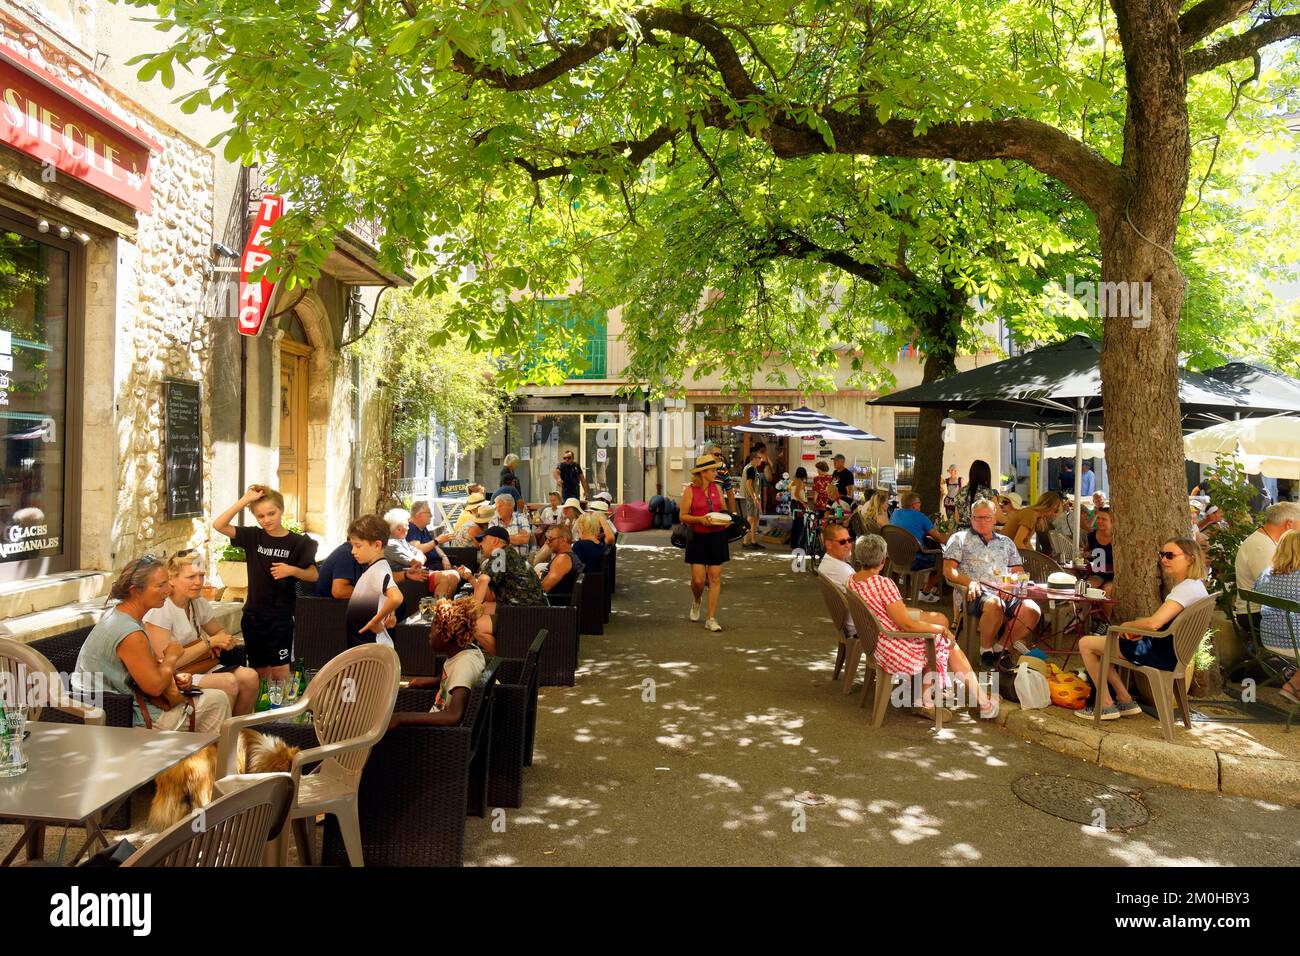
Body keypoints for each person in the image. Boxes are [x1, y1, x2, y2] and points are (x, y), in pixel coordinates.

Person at [72, 558, 232, 732]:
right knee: (218, 701)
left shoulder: (120, 615)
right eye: (160, 585)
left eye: (167, 583)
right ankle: (208, 756)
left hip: (111, 705)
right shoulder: (130, 633)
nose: (168, 589)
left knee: (215, 697)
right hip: (123, 717)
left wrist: (176, 676)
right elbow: (155, 687)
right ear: (135, 591)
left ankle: (198, 754)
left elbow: (145, 669)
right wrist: (171, 657)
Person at [849, 534, 999, 720]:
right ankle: (980, 702)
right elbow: (907, 623)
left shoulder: (852, 580)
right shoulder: (883, 584)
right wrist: (942, 629)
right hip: (890, 646)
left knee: (938, 637)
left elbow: (890, 613)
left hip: (874, 642)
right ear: (883, 559)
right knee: (945, 642)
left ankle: (934, 697)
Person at [1076, 537, 1210, 720]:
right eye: (1162, 555)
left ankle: (1106, 705)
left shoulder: (1185, 589)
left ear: (1190, 559)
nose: (1164, 560)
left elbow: (1154, 623)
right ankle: (1124, 699)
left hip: (1161, 653)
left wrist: (1125, 626)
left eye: (1170, 555)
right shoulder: (1196, 586)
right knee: (1104, 645)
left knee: (1086, 644)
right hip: (1172, 651)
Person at [213, 485, 318, 680]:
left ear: (281, 510)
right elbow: (219, 525)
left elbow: (313, 575)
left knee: (280, 671)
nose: (267, 520)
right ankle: (263, 709)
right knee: (258, 672)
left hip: (280, 618)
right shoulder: (253, 536)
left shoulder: (297, 543)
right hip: (253, 617)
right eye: (260, 516)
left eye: (272, 513)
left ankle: (283, 709)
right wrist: (245, 500)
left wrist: (291, 570)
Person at [143, 554, 259, 716]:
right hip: (176, 676)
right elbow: (167, 662)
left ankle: (238, 733)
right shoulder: (161, 609)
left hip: (200, 665)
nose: (198, 582)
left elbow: (221, 634)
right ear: (172, 579)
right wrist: (209, 644)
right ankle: (220, 737)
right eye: (191, 577)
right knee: (229, 682)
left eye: (202, 575)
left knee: (250, 677)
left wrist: (219, 642)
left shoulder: (197, 602)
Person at [942, 498, 1042, 667]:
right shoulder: (959, 538)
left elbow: (1019, 573)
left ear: (994, 519)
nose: (982, 521)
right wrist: (970, 582)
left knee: (1032, 610)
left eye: (986, 517)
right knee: (995, 604)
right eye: (977, 517)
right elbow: (948, 570)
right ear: (971, 518)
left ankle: (1001, 647)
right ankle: (985, 651)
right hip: (974, 593)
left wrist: (1011, 584)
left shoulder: (1006, 542)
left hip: (1006, 591)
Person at [389, 597, 495, 728]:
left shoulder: (464, 665)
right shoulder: (469, 651)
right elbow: (460, 680)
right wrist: (435, 681)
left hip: (439, 735)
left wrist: (401, 718)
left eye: (433, 627)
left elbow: (454, 716)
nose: (429, 634)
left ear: (446, 635)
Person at [680, 453, 729, 632]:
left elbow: (723, 509)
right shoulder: (690, 490)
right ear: (703, 473)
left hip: (717, 536)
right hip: (698, 537)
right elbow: (682, 516)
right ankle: (697, 599)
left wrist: (726, 518)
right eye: (713, 470)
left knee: (715, 578)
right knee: (698, 580)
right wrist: (699, 519)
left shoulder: (717, 488)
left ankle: (711, 618)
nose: (716, 472)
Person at [1234, 502, 1300, 635]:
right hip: (1255, 614)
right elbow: (1278, 589)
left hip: (1271, 611)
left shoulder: (1267, 541)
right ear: (1289, 524)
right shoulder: (1261, 546)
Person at [1253, 530, 1300, 704]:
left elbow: (1256, 592)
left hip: (1269, 638)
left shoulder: (1266, 573)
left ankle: (1294, 686)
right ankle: (1292, 686)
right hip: (1294, 643)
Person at [344, 514, 404, 648]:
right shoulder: (376, 568)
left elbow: (396, 597)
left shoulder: (378, 571)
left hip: (372, 649)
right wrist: (389, 612)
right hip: (364, 647)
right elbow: (385, 596)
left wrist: (375, 621)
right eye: (352, 545)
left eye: (358, 546)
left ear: (377, 545)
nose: (353, 551)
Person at [890, 490, 949, 602]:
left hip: (894, 557)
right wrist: (951, 534)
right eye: (919, 502)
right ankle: (925, 593)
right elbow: (941, 539)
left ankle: (909, 590)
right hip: (913, 560)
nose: (921, 504)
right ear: (914, 505)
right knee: (941, 561)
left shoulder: (895, 514)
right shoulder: (920, 516)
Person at [471, 526, 547, 608]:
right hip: (536, 611)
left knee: (481, 612)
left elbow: (483, 580)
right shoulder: (508, 553)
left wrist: (472, 610)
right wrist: (470, 578)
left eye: (483, 540)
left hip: (525, 613)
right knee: (487, 607)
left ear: (495, 541)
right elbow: (491, 597)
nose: (480, 544)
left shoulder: (501, 554)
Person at [817, 522, 858, 639]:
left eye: (849, 540)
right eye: (842, 542)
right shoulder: (842, 570)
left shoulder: (827, 563)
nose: (848, 545)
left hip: (851, 624)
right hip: (859, 627)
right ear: (829, 544)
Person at [538, 525, 583, 605]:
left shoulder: (562, 559)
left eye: (550, 539)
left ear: (563, 540)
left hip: (551, 609)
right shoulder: (571, 556)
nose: (547, 542)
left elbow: (543, 588)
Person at [1085, 508, 1116, 614]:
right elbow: (1086, 551)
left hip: (1114, 576)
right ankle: (1090, 621)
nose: (1099, 521)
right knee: (1086, 588)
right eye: (1098, 518)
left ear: (1112, 521)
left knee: (1107, 591)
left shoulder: (1118, 537)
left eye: (1104, 519)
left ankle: (1106, 623)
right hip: (1098, 574)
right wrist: (1085, 555)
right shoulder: (1092, 536)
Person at [953, 460, 997, 528]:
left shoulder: (961, 492)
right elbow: (1000, 519)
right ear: (986, 475)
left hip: (962, 535)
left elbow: (956, 519)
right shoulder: (988, 493)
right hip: (981, 534)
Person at [490, 492, 534, 557]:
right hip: (500, 561)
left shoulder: (522, 518)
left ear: (510, 506)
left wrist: (501, 538)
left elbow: (525, 539)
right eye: (496, 507)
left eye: (500, 506)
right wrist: (516, 537)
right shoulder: (493, 521)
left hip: (521, 560)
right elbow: (492, 542)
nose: (498, 510)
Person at [741, 447, 769, 549]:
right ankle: (747, 541)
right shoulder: (751, 468)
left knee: (753, 520)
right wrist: (755, 498)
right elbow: (749, 484)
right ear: (754, 458)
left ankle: (752, 541)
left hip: (751, 497)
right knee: (751, 520)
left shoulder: (751, 468)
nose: (761, 460)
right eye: (760, 458)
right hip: (751, 498)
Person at [707, 443, 739, 513]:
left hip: (718, 510)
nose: (719, 457)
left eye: (720, 455)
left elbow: (730, 493)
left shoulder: (723, 469)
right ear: (709, 454)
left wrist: (734, 513)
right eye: (716, 454)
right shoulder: (702, 470)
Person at [789, 467, 809, 551]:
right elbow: (797, 494)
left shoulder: (793, 481)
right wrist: (804, 503)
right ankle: (798, 543)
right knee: (800, 524)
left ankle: (794, 543)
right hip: (798, 505)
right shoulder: (800, 482)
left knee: (795, 524)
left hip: (793, 504)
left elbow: (792, 492)